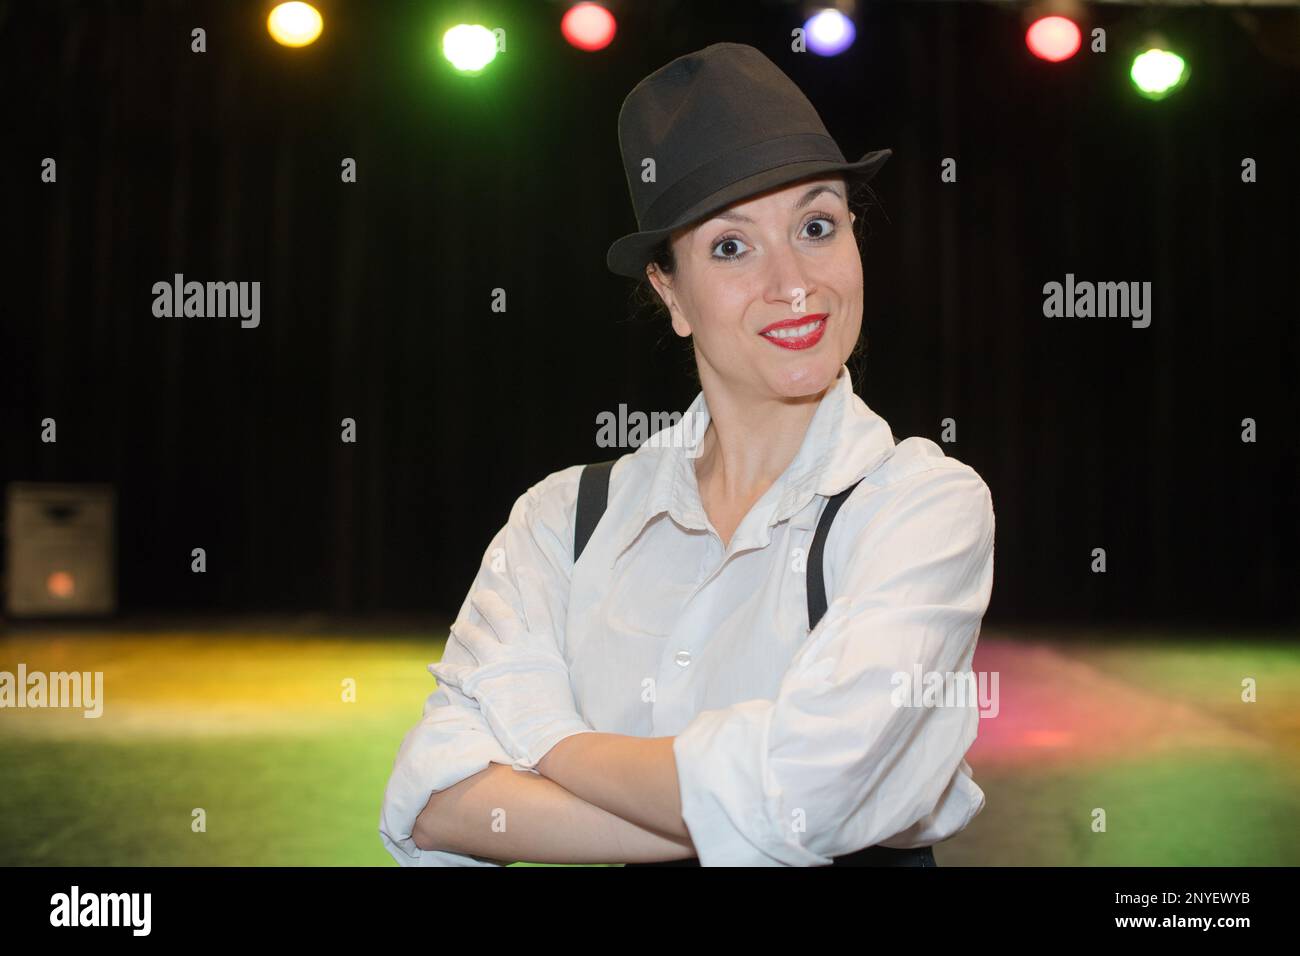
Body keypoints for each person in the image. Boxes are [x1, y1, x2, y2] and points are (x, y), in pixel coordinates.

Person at [379, 42, 995, 867]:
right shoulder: (564, 520)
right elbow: (435, 804)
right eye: (731, 247)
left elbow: (809, 795)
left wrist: (549, 741)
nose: (794, 284)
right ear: (670, 293)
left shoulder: (923, 505)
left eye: (817, 226)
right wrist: (735, 813)